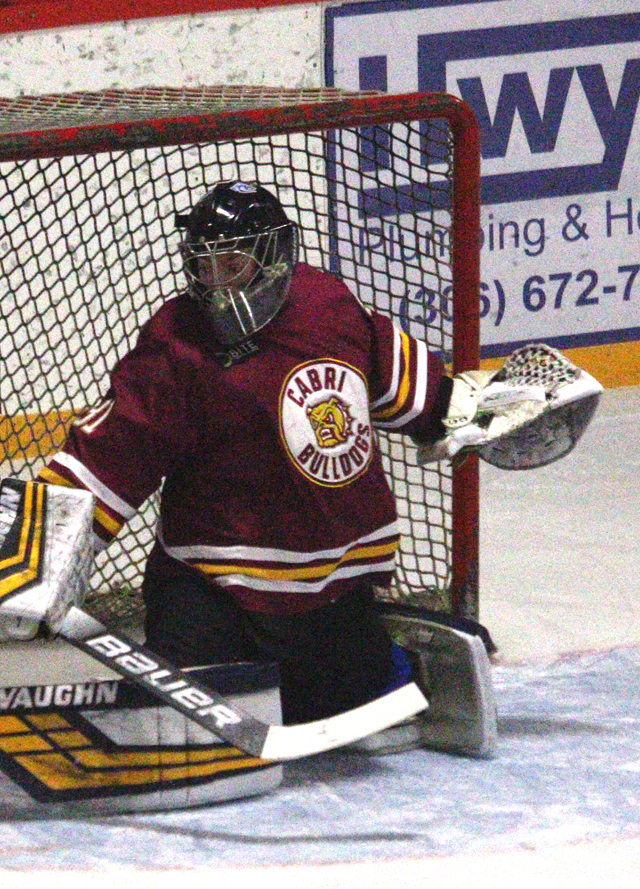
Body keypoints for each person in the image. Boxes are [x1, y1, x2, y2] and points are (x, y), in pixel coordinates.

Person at [30, 181, 457, 728]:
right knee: (188, 721)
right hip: (215, 593)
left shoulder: (327, 305)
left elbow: (407, 386)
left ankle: (392, 663)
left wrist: (475, 413)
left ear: (274, 259)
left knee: (341, 705)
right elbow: (110, 452)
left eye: (229, 266)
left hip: (332, 592)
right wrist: (37, 556)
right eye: (201, 268)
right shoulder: (176, 342)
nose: (213, 286)